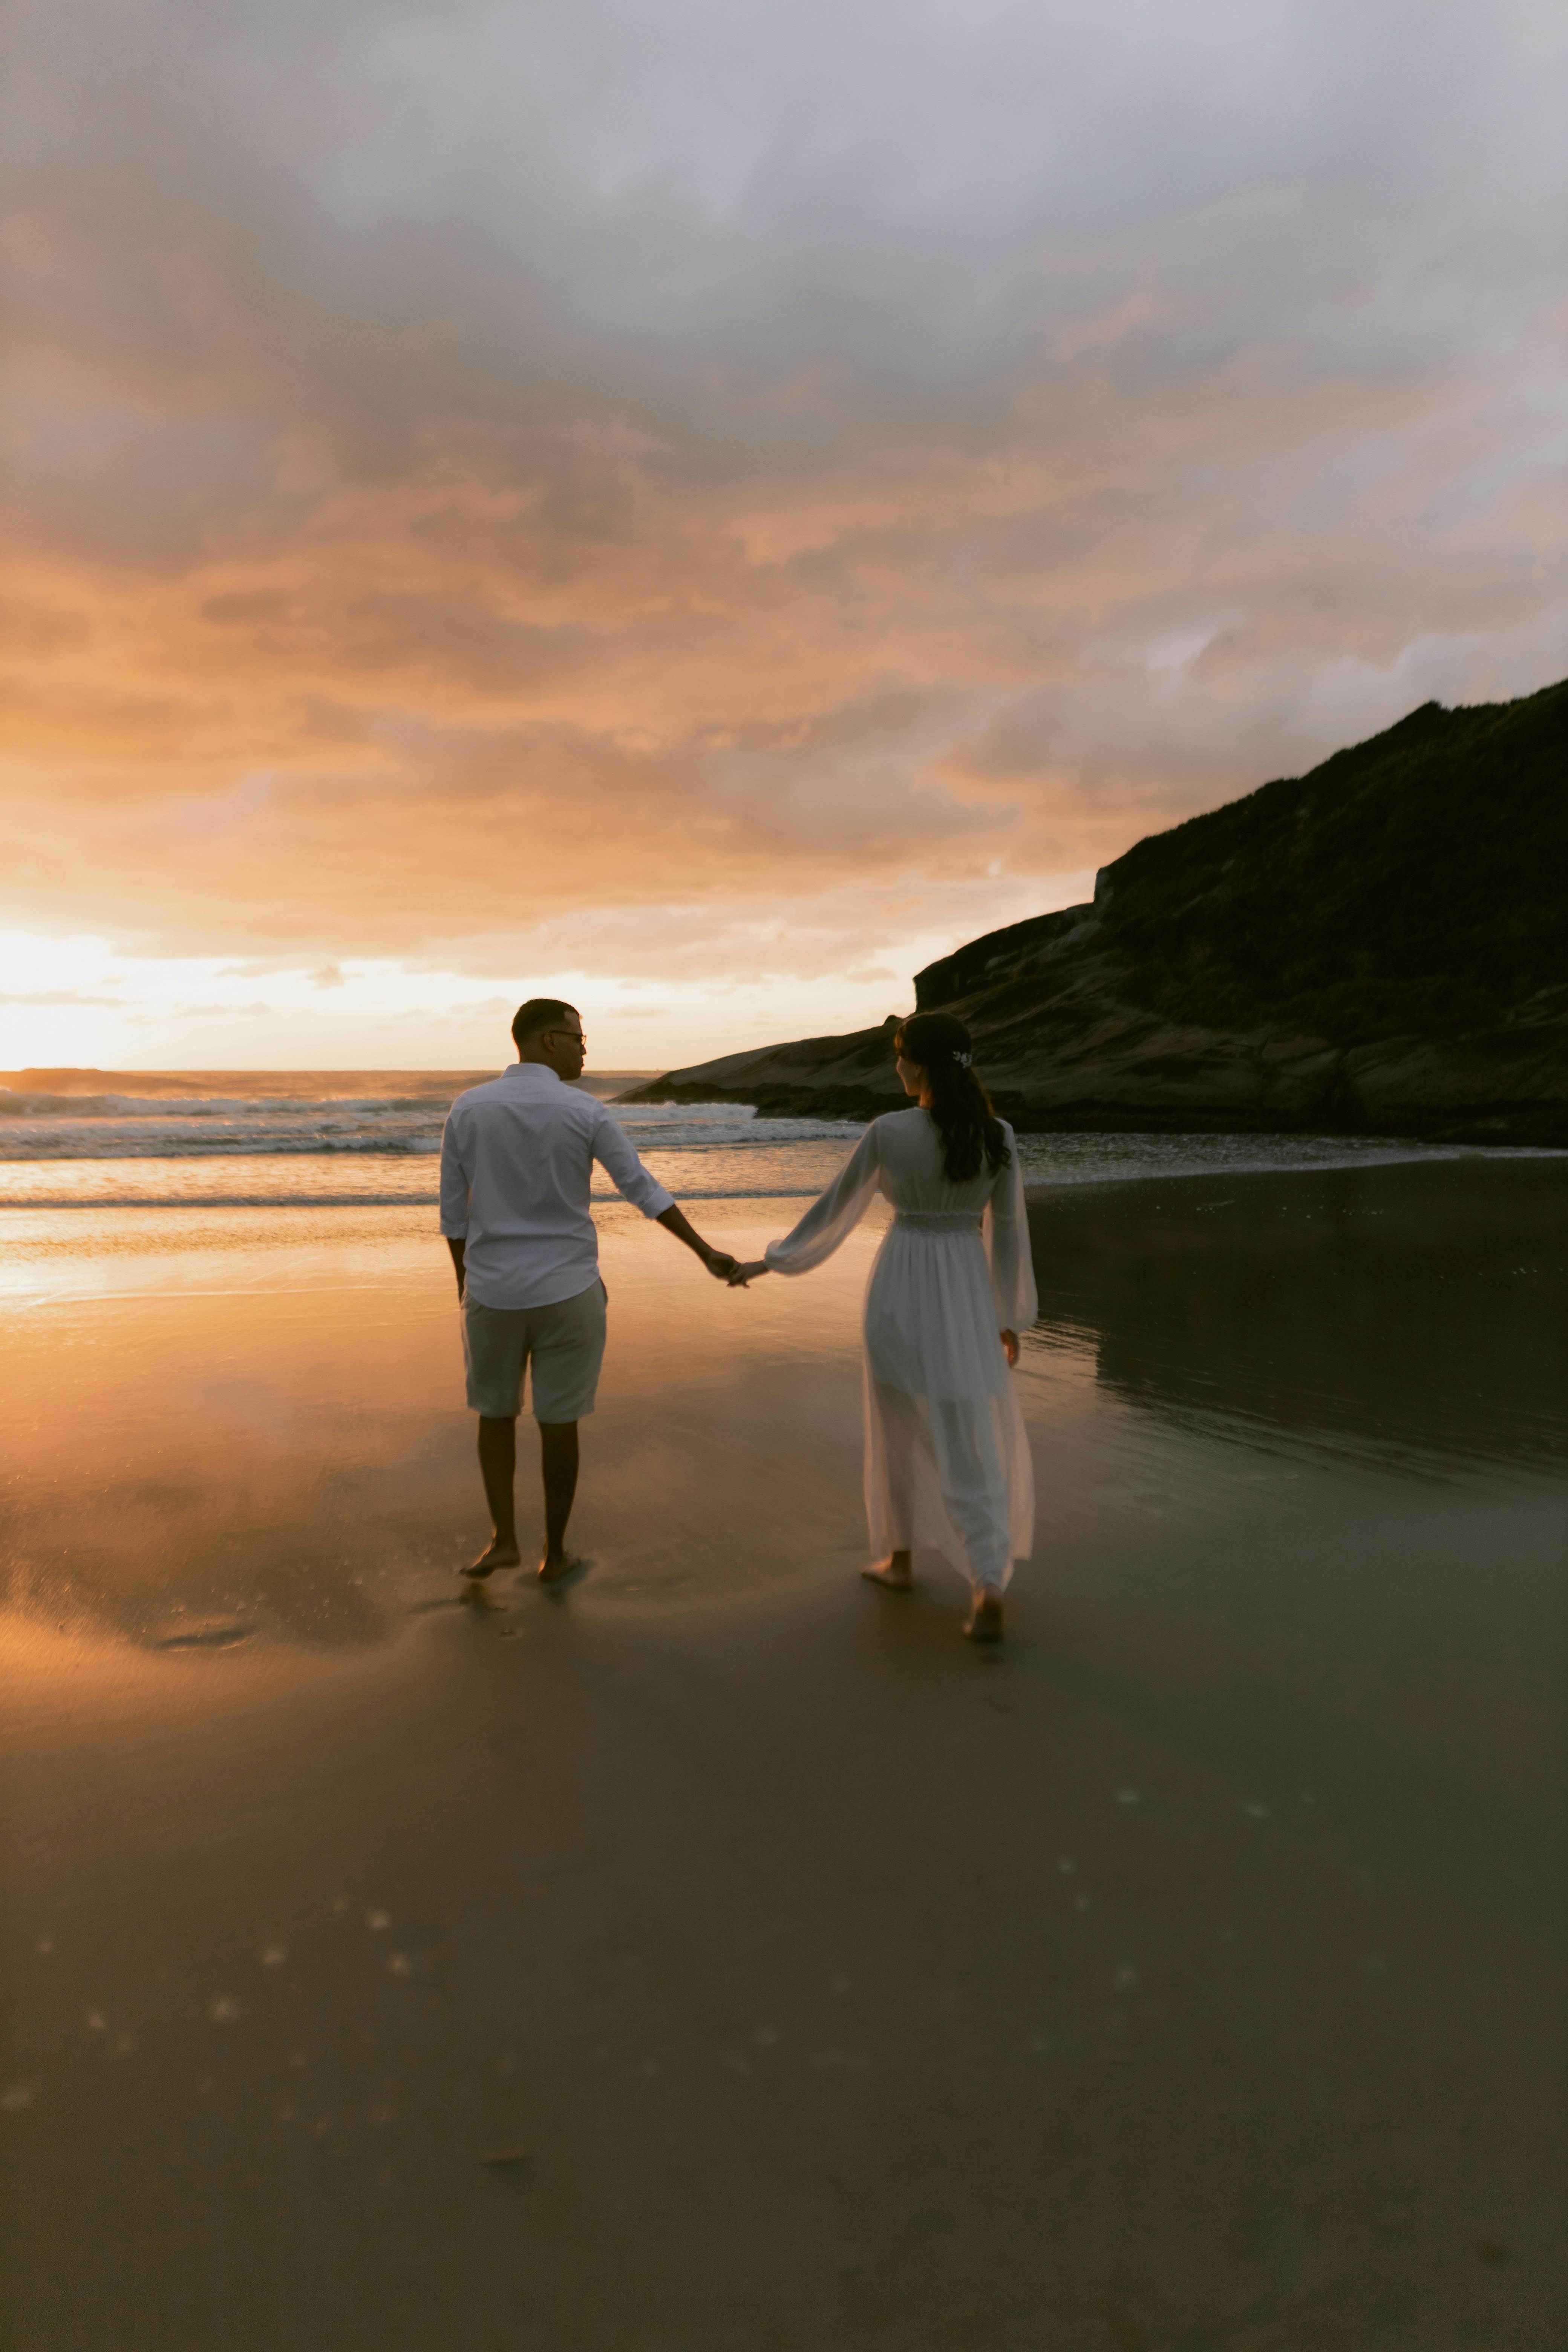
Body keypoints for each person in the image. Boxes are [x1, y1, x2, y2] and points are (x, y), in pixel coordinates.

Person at [729, 1010, 1036, 1642]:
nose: (896, 1066)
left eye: (900, 1056)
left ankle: (899, 1566)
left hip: (900, 1287)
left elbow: (836, 1210)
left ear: (917, 1064)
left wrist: (772, 1261)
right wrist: (1007, 1317)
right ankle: (987, 1582)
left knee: (896, 1430)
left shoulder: (889, 1131)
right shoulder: (997, 1134)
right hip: (966, 1294)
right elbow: (1006, 1231)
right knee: (966, 1435)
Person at [440, 999, 737, 1583]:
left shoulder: (468, 1109)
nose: (584, 1048)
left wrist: (465, 1285)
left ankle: (503, 1540)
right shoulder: (583, 1111)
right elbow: (641, 1189)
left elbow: (454, 1215)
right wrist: (705, 1253)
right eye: (578, 1038)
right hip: (569, 1291)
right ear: (547, 1041)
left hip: (492, 1293)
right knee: (560, 1423)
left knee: (494, 1416)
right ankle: (556, 1554)